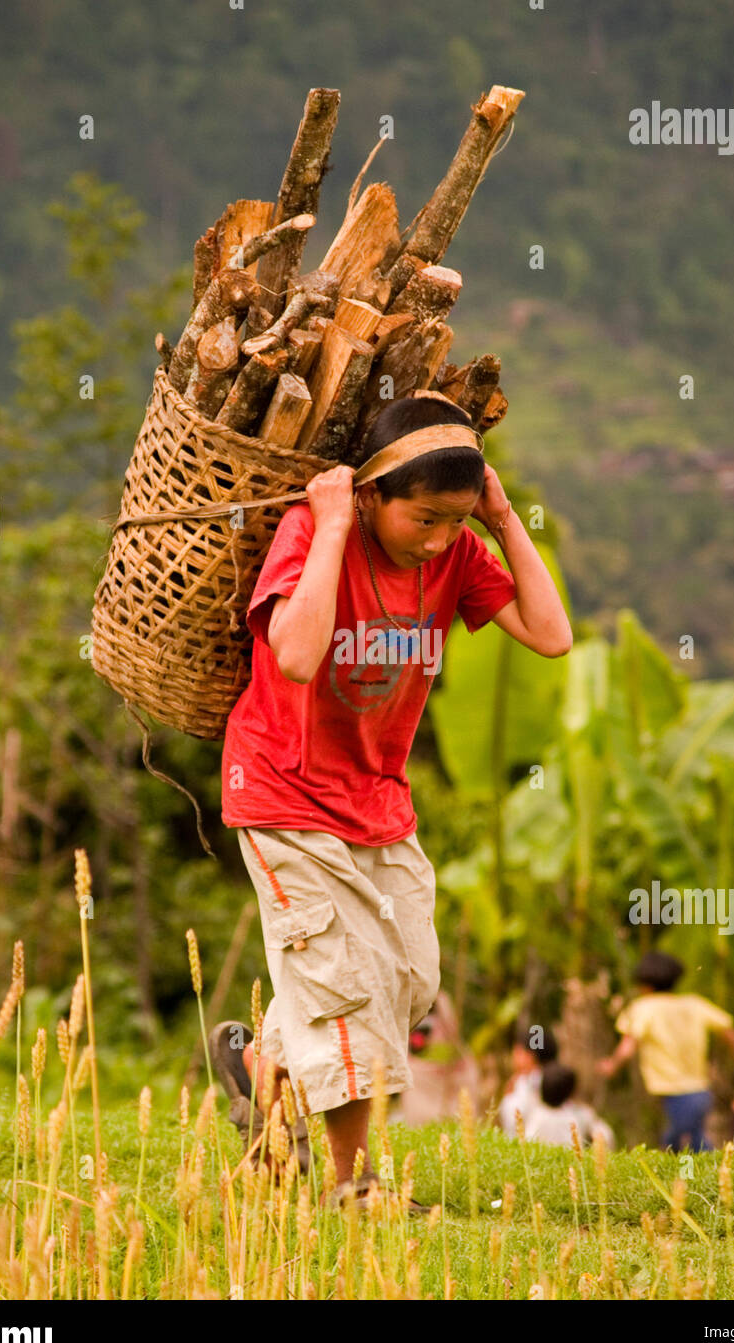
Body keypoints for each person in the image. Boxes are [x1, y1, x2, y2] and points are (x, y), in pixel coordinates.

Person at [209, 393, 573, 1208]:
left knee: (408, 977)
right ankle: (354, 1186)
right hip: (283, 791)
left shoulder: (455, 556)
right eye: (424, 518)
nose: (440, 538)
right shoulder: (315, 535)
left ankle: (264, 1068)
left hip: (378, 801)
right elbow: (298, 657)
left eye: (457, 519)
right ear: (371, 494)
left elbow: (552, 635)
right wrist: (333, 521)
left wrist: (504, 519)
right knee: (345, 985)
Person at [596, 950, 734, 1151]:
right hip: (698, 1085)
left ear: (644, 984)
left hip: (669, 1086)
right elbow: (729, 1030)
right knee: (688, 1136)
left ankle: (701, 1173)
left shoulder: (642, 1007)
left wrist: (611, 1065)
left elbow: (628, 1046)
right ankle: (702, 1172)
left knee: (683, 1139)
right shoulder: (694, 1004)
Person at [396, 989, 480, 1126]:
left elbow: (453, 1034)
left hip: (443, 1074)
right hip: (419, 1075)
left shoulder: (440, 1000)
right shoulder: (407, 998)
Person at [524, 1060, 615, 1149]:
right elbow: (606, 1136)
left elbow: (527, 1142)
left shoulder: (536, 1114)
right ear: (571, 1093)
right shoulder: (578, 1115)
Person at [499, 1022, 558, 1136]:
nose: (514, 1055)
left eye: (518, 1051)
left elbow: (513, 1120)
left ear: (530, 1056)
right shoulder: (551, 1078)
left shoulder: (528, 1082)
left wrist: (508, 1097)